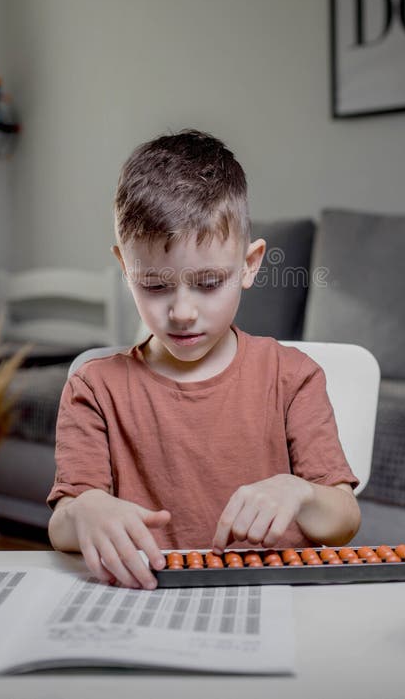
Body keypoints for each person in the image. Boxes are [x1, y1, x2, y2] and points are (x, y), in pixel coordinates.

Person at [47, 129, 360, 589]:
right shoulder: (94, 388)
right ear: (125, 269)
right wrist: (85, 510)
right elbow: (62, 524)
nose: (182, 312)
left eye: (209, 283)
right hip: (149, 600)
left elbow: (345, 518)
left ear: (249, 265)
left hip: (272, 598)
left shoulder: (292, 377)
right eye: (154, 285)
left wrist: (300, 493)